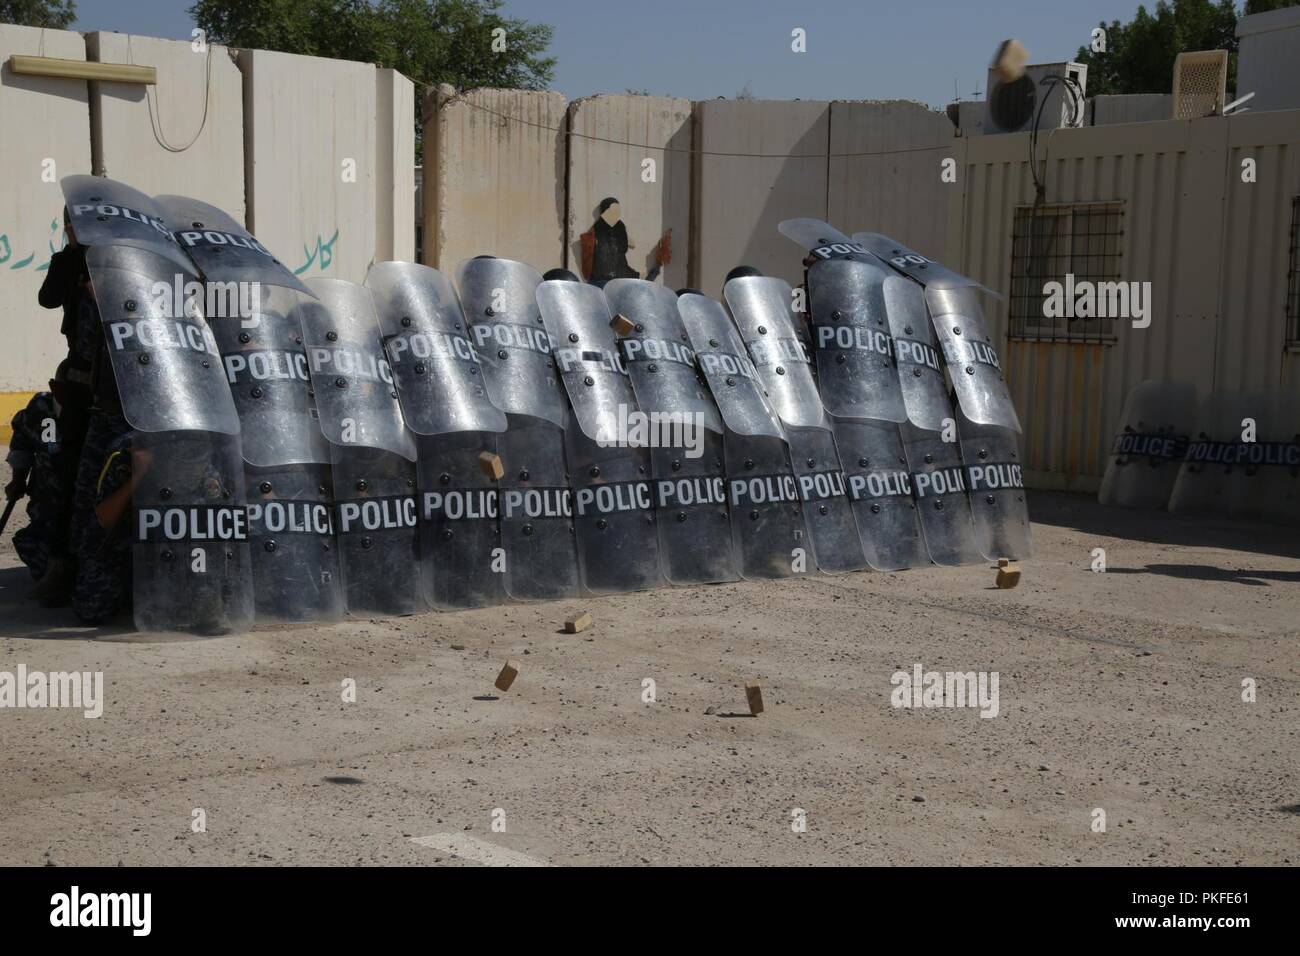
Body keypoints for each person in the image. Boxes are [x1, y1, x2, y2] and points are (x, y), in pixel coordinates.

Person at [34, 209, 95, 602]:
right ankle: (60, 561)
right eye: (70, 225)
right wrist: (72, 259)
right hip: (79, 383)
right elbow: (47, 299)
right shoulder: (69, 261)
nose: (74, 231)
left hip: (122, 386)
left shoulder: (122, 260)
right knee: (67, 468)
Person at [582, 198, 638, 288]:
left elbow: (623, 247)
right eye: (615, 209)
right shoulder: (615, 225)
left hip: (605, 275)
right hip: (611, 275)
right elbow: (623, 247)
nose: (618, 212)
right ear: (606, 211)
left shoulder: (600, 226)